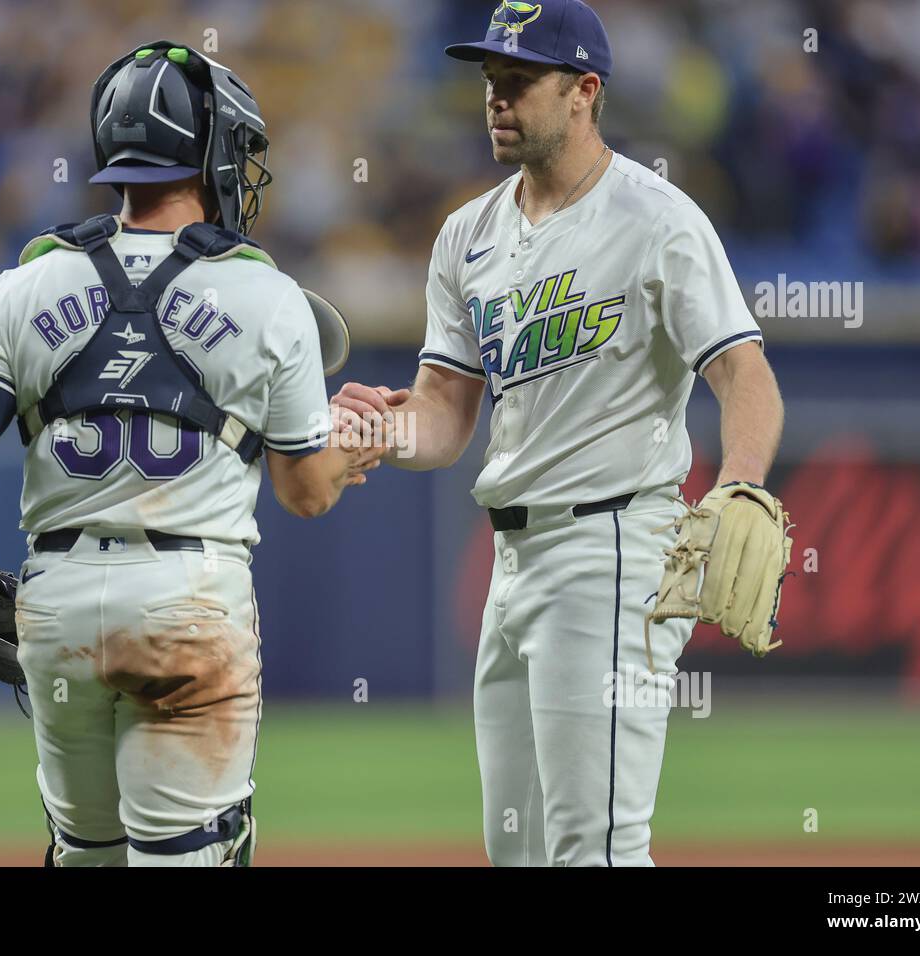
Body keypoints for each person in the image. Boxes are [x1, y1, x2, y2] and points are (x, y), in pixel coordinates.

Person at [331, 1, 785, 866]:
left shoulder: (658, 219)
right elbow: (444, 416)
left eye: (520, 81)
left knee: (596, 851)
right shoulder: (467, 234)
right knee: (523, 853)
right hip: (512, 566)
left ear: (585, 90)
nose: (497, 98)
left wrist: (742, 482)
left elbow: (745, 374)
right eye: (490, 81)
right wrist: (379, 432)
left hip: (612, 545)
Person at [0, 41, 380, 867]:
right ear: (208, 152)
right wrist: (349, 449)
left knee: (86, 853)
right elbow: (306, 491)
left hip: (56, 605)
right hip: (188, 601)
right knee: (191, 854)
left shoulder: (26, 282)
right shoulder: (267, 294)